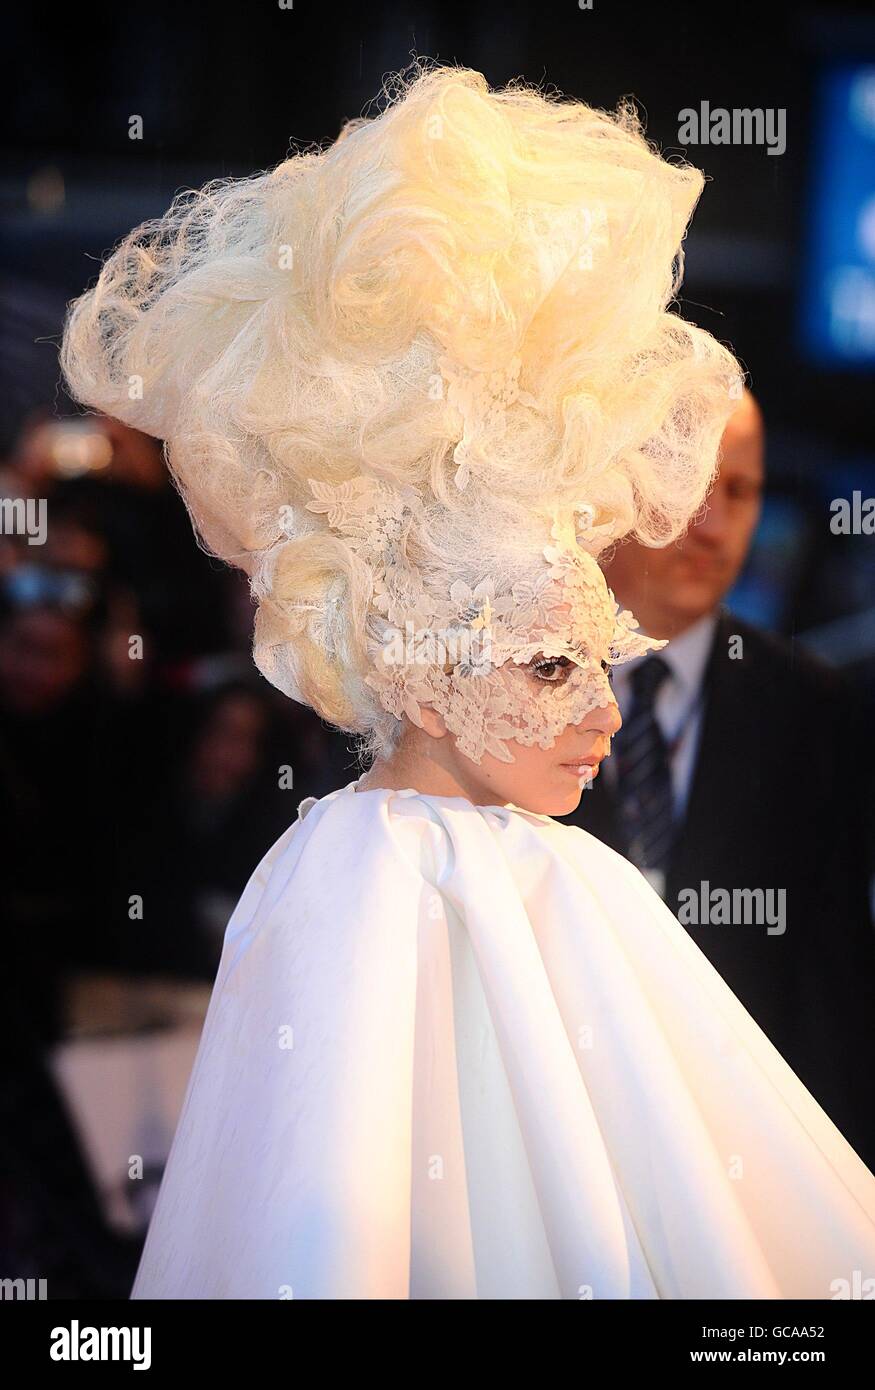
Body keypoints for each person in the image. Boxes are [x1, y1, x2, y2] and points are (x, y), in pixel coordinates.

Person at [60, 62, 875, 1299]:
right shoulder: (353, 873)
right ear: (421, 673)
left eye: (593, 662)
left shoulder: (574, 873)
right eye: (550, 666)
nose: (600, 711)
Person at [562, 390, 875, 1170]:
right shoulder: (500, 688)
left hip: (744, 1171)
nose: (712, 525)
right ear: (607, 483)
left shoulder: (812, 709)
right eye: (688, 485)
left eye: (738, 491)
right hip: (546, 1153)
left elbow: (832, 992)